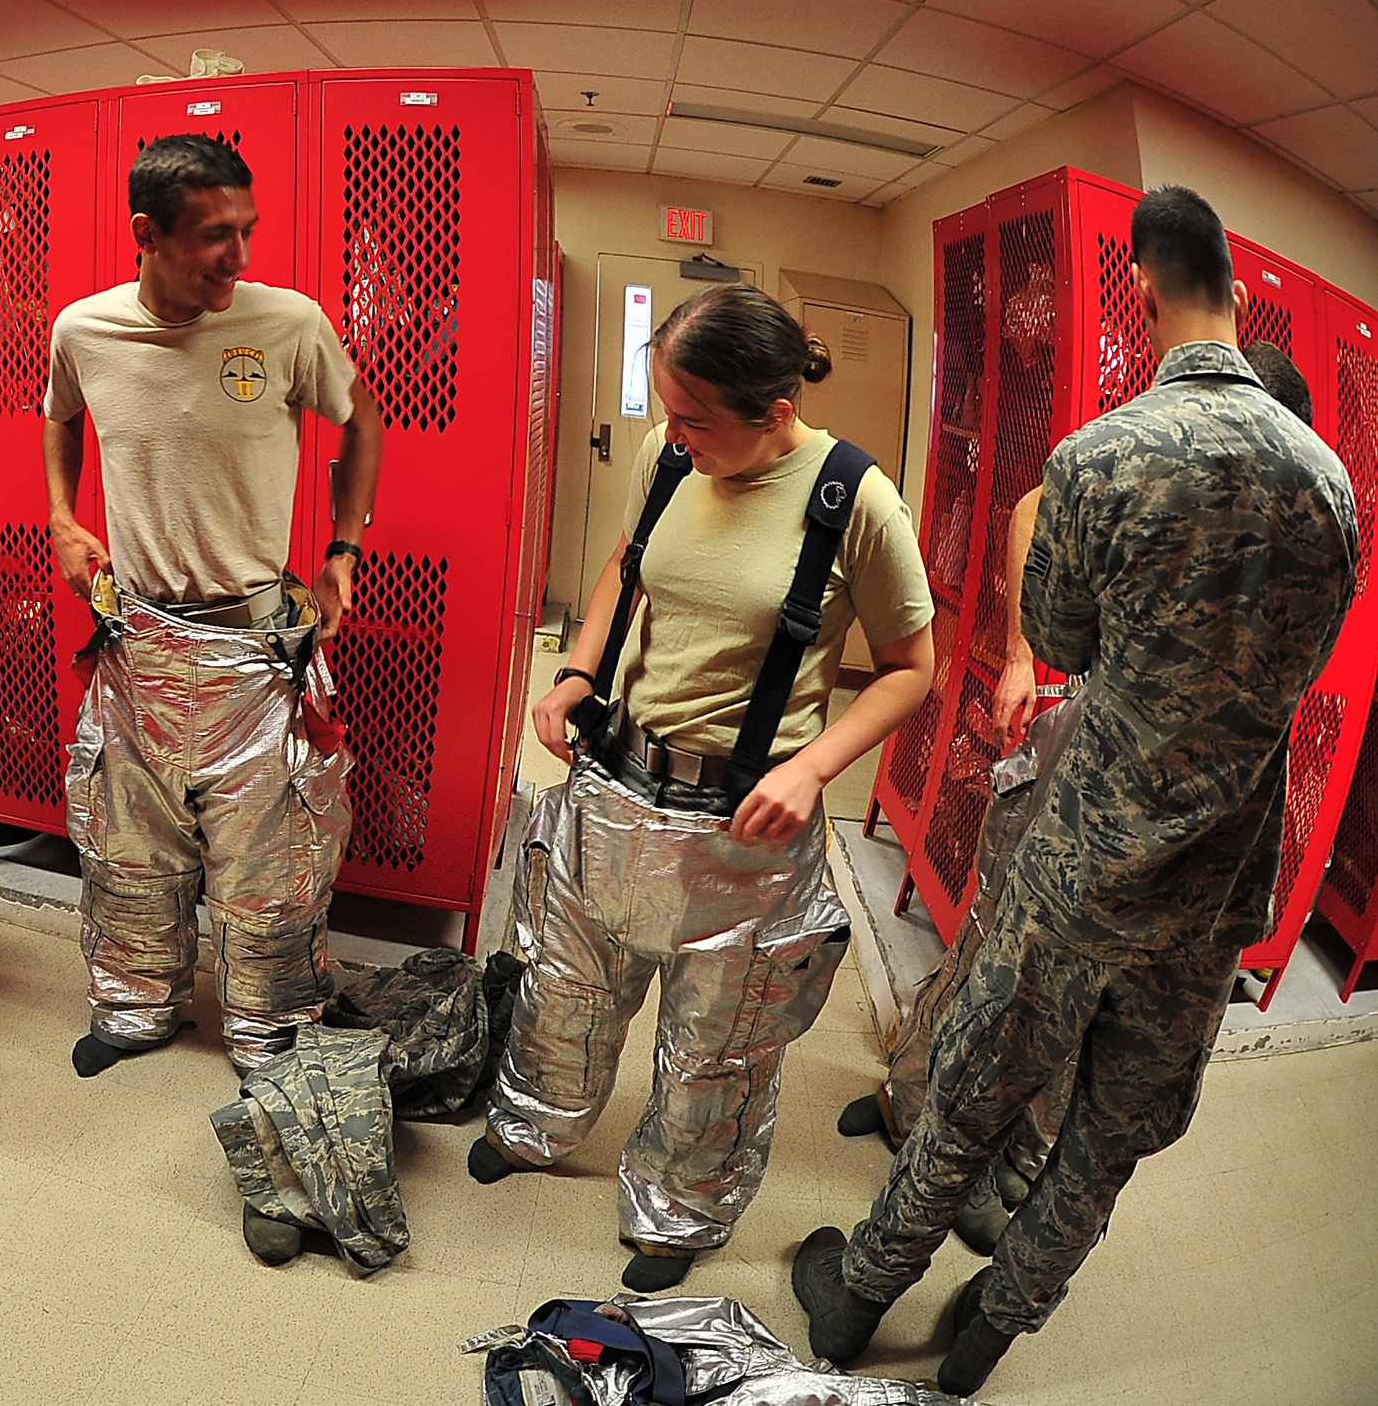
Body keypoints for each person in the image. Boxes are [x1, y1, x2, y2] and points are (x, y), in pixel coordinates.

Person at [793, 186, 1359, 1398]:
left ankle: (856, 1301)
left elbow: (1056, 633)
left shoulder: (1100, 458)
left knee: (976, 1090)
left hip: (1090, 860)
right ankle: (994, 1330)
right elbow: (1303, 671)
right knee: (1108, 1137)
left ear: (1144, 284)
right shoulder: (1334, 488)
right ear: (1239, 290)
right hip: (1214, 896)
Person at [470, 283, 936, 1294]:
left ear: (773, 411)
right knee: (567, 988)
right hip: (616, 783)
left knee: (716, 1043)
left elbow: (912, 665)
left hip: (745, 824)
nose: (669, 435)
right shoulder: (669, 455)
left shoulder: (855, 499)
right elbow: (626, 566)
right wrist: (578, 672)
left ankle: (678, 1213)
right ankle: (532, 1128)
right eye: (664, 412)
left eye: (693, 418)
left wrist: (816, 766)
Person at [838, 328, 1328, 1256]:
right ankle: (909, 1097)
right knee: (991, 934)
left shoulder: (1297, 547)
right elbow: (1031, 506)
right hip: (1078, 753)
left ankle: (1003, 1173)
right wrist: (1025, 653)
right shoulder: (1147, 469)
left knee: (1079, 988)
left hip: (1171, 812)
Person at [41, 134, 384, 1212]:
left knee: (267, 862)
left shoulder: (286, 324)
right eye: (211, 238)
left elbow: (362, 420)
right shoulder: (85, 329)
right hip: (138, 636)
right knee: (129, 846)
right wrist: (62, 518)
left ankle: (268, 1028)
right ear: (145, 234)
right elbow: (58, 420)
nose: (235, 257)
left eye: (246, 233)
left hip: (254, 641)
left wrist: (342, 547)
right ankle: (136, 1009)